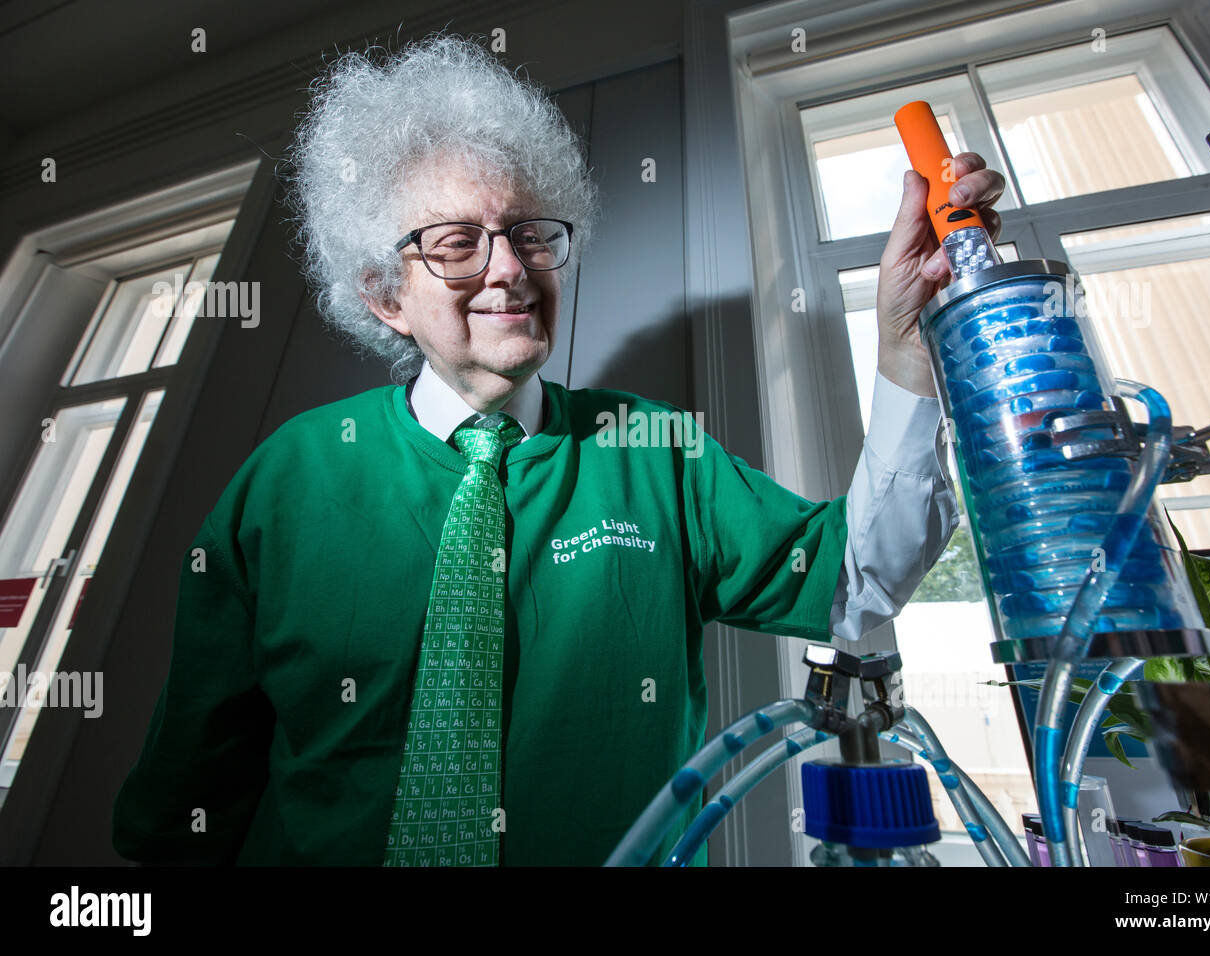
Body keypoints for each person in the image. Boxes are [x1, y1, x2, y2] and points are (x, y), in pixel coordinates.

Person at [112, 34, 1004, 867]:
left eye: (529, 234)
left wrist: (906, 350)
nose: (508, 268)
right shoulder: (288, 478)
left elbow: (861, 583)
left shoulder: (655, 452)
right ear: (386, 296)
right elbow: (193, 788)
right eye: (457, 243)